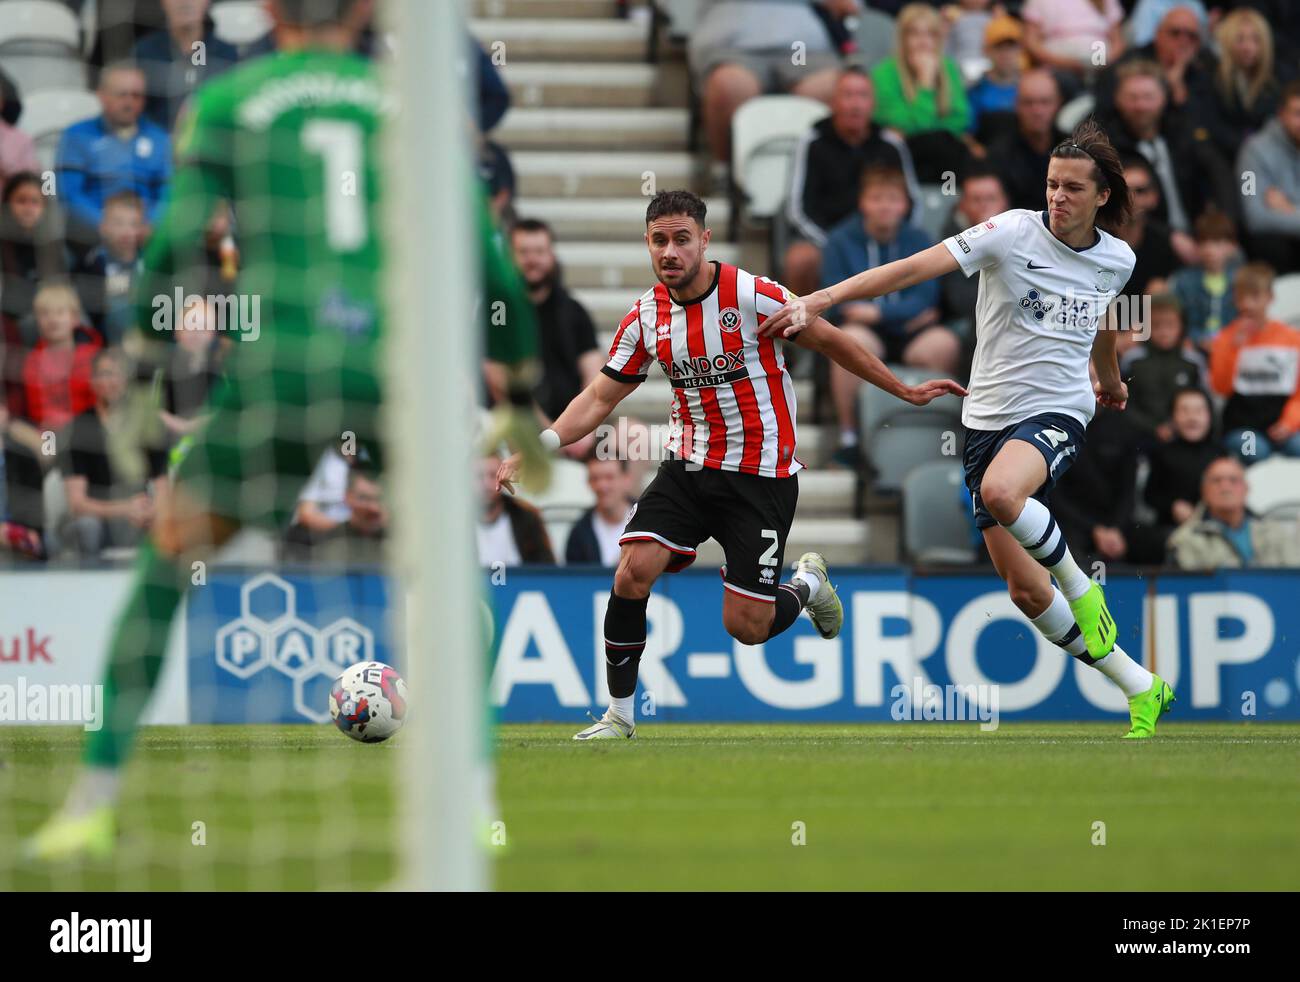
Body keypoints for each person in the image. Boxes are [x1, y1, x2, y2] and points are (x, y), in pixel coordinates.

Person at [26, 0, 397, 862]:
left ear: (269, 10)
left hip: (275, 371)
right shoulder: (407, 104)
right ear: (370, 9)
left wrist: (146, 350)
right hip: (388, 362)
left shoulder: (231, 99)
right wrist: (517, 373)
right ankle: (470, 804)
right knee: (451, 567)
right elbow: (486, 255)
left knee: (167, 562)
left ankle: (94, 798)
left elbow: (177, 243)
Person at [495, 189, 965, 740]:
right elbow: (600, 397)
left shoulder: (753, 295)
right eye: (658, 241)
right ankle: (619, 716)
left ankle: (807, 587)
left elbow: (833, 341)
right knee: (631, 572)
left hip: (760, 478)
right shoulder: (647, 316)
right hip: (690, 469)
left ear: (705, 240)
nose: (669, 252)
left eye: (680, 239)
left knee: (747, 627)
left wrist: (902, 390)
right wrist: (543, 443)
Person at [763, 120, 1176, 739]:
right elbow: (911, 268)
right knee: (1025, 593)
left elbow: (1106, 326)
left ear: (1102, 198)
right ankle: (1141, 686)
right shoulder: (1010, 232)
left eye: (1071, 188)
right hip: (986, 419)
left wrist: (1109, 381)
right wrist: (821, 299)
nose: (1057, 197)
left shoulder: (1119, 259)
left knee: (1004, 495)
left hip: (1059, 410)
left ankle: (1086, 593)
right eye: (1051, 184)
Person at [821, 165, 960, 466]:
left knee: (944, 343)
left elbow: (926, 300)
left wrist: (874, 312)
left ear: (905, 205)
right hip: (867, 332)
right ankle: (850, 436)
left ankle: (931, 437)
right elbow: (837, 303)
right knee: (849, 338)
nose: (885, 206)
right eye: (877, 198)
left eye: (893, 199)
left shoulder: (921, 239)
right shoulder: (839, 240)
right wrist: (901, 314)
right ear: (863, 202)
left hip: (911, 332)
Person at [783, 66, 915, 299]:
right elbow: (797, 210)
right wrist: (836, 244)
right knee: (800, 259)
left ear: (873, 103)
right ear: (833, 102)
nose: (855, 104)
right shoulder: (812, 142)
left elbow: (912, 202)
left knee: (925, 251)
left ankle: (903, 323)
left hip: (885, 236)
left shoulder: (891, 144)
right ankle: (803, 330)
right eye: (848, 95)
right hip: (825, 238)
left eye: (862, 96)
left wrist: (891, 236)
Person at [54, 62, 172, 253]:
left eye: (136, 95)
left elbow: (168, 193)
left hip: (146, 240)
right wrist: (109, 226)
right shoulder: (76, 135)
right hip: (90, 241)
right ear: (101, 95)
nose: (129, 102)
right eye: (122, 94)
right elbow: (68, 193)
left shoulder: (161, 139)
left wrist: (144, 225)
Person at [507, 218, 601, 455]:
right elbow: (507, 385)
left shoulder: (574, 310)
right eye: (523, 252)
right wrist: (554, 433)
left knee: (630, 433)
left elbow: (595, 374)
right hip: (519, 423)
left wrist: (585, 427)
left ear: (552, 256)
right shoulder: (499, 312)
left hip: (575, 428)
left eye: (539, 251)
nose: (532, 260)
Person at [61, 349, 168, 556]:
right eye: (104, 374)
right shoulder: (79, 427)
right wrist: (126, 508)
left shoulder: (145, 422)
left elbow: (162, 486)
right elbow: (77, 503)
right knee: (87, 526)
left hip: (140, 511)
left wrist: (151, 510)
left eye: (118, 374)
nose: (112, 382)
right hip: (99, 514)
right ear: (93, 381)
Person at [870, 3, 973, 182]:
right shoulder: (883, 73)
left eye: (930, 34)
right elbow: (901, 125)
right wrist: (925, 84)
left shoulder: (948, 68)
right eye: (914, 33)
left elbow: (960, 119)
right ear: (902, 38)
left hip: (944, 154)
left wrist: (922, 122)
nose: (923, 41)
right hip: (902, 153)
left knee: (944, 144)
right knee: (934, 142)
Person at [1209, 263, 1300, 462]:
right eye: (1242, 297)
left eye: (1255, 296)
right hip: (1244, 428)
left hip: (1284, 425)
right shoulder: (1226, 338)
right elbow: (1220, 387)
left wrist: (1289, 423)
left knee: (1297, 447)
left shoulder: (1292, 339)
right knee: (1255, 451)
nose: (1247, 304)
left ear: (1270, 297)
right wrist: (1234, 348)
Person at [1167, 454, 1300, 568]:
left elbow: (1294, 579)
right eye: (1216, 481)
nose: (1225, 487)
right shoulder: (1184, 540)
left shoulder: (1274, 531)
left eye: (1233, 480)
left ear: (1246, 489)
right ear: (1204, 492)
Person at [133, 0, 241, 130]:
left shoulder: (226, 54)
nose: (184, 2)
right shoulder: (145, 51)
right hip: (161, 142)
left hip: (209, 142)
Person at [1143, 386, 1221, 552]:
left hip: (1215, 529)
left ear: (1210, 416)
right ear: (1172, 417)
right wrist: (1172, 506)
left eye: (1199, 411)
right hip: (1172, 529)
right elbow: (1149, 495)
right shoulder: (1162, 453)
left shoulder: (1220, 455)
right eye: (1184, 411)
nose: (1192, 417)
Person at [1121, 294, 1206, 443]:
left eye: (1170, 325)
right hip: (1139, 436)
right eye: (1156, 325)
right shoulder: (1133, 361)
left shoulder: (1193, 362)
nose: (1164, 331)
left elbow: (1203, 405)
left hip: (1183, 437)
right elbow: (1125, 405)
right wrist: (1153, 428)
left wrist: (1175, 426)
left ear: (1181, 326)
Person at [1237, 81, 1300, 273]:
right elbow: (1254, 217)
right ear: (1281, 115)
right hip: (1278, 245)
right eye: (1297, 114)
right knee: (1268, 244)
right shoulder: (1253, 152)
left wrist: (1289, 209)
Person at [1206, 7, 1281, 163]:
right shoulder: (1212, 79)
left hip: (1269, 159)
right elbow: (1213, 127)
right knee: (1250, 186)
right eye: (1240, 39)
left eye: (1256, 39)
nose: (1248, 47)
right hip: (1227, 158)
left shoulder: (1277, 80)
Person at [73, 190, 146, 346]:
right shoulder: (92, 262)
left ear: (142, 229)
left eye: (133, 224)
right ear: (103, 227)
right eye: (118, 223)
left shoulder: (147, 261)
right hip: (105, 343)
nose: (126, 232)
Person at [986, 69, 1064, 212]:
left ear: (1058, 104)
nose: (1037, 111)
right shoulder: (999, 154)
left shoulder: (1073, 150)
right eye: (1028, 103)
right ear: (1016, 105)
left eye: (1045, 102)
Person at [1170, 210, 1240, 350]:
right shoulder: (1183, 281)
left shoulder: (1241, 281)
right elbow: (1177, 321)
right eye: (1203, 242)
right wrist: (1195, 339)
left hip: (1232, 348)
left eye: (1216, 242)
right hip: (1195, 348)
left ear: (1232, 246)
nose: (1209, 249)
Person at [478, 451, 555, 566]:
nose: (486, 484)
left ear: (503, 478)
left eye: (493, 475)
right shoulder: (455, 522)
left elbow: (546, 566)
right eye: (479, 476)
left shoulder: (527, 517)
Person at [565, 456, 637, 566]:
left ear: (627, 479)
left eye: (609, 477)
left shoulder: (650, 523)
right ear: (588, 483)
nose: (602, 485)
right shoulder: (578, 533)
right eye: (595, 478)